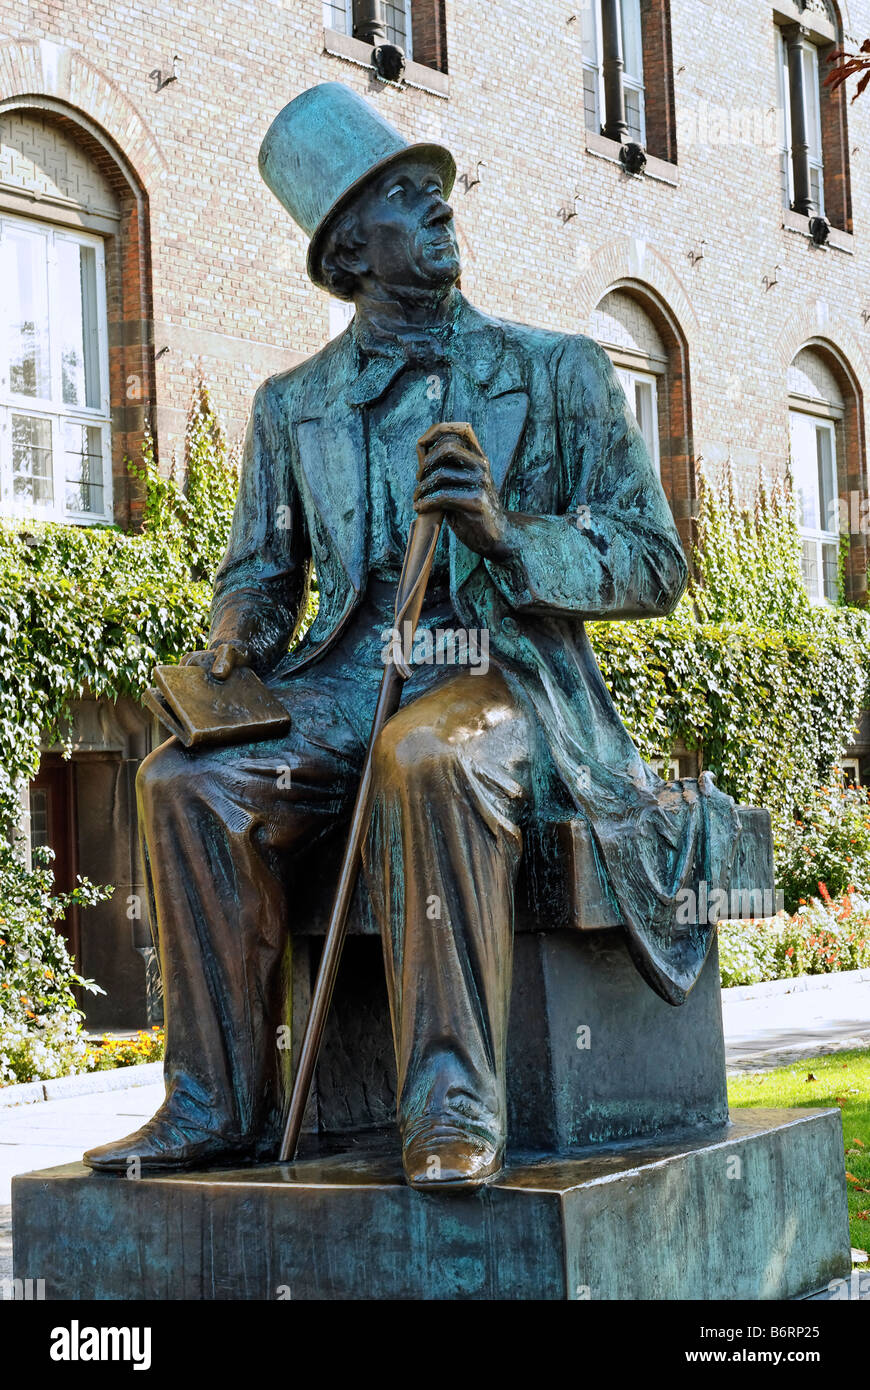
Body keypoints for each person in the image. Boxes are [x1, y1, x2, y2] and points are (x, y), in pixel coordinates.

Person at [85, 83, 739, 1188]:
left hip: (502, 673)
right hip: (341, 679)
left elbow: (653, 561)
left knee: (428, 754)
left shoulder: (556, 371)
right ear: (350, 246)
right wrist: (236, 637)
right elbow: (259, 571)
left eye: (438, 189)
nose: (440, 206)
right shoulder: (292, 406)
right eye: (405, 193)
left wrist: (506, 531)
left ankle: (450, 1103)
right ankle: (213, 1106)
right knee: (184, 784)